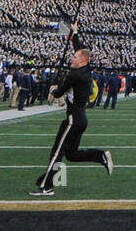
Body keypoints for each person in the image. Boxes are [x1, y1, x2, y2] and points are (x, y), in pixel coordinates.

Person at [31, 23, 113, 196]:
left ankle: (46, 186)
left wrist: (53, 88)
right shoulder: (85, 69)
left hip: (72, 119)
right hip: (81, 119)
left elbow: (59, 93)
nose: (72, 59)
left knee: (56, 152)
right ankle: (99, 156)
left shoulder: (74, 75)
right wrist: (75, 32)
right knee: (72, 154)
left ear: (82, 61)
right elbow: (80, 49)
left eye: (74, 57)